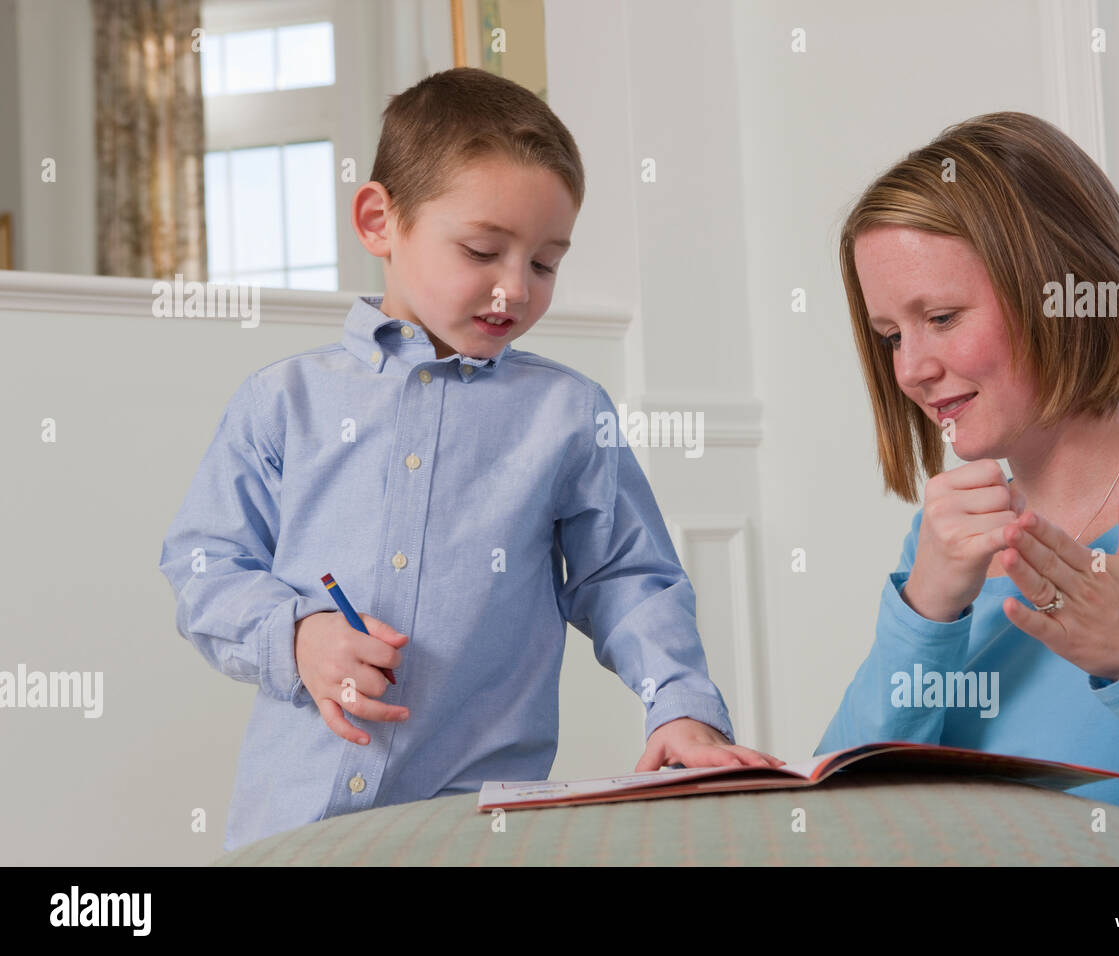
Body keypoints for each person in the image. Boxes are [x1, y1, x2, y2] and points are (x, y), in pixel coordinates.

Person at [159, 68, 779, 851]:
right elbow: (204, 562)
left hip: (482, 829)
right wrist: (294, 636)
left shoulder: (567, 413)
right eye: (483, 250)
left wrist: (682, 706)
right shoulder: (283, 401)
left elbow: (627, 578)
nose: (514, 289)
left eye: (546, 263)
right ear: (380, 221)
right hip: (291, 825)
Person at [817, 111, 1119, 866]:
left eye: (940, 318)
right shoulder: (951, 544)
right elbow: (834, 833)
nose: (910, 369)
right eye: (891, 336)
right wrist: (923, 613)